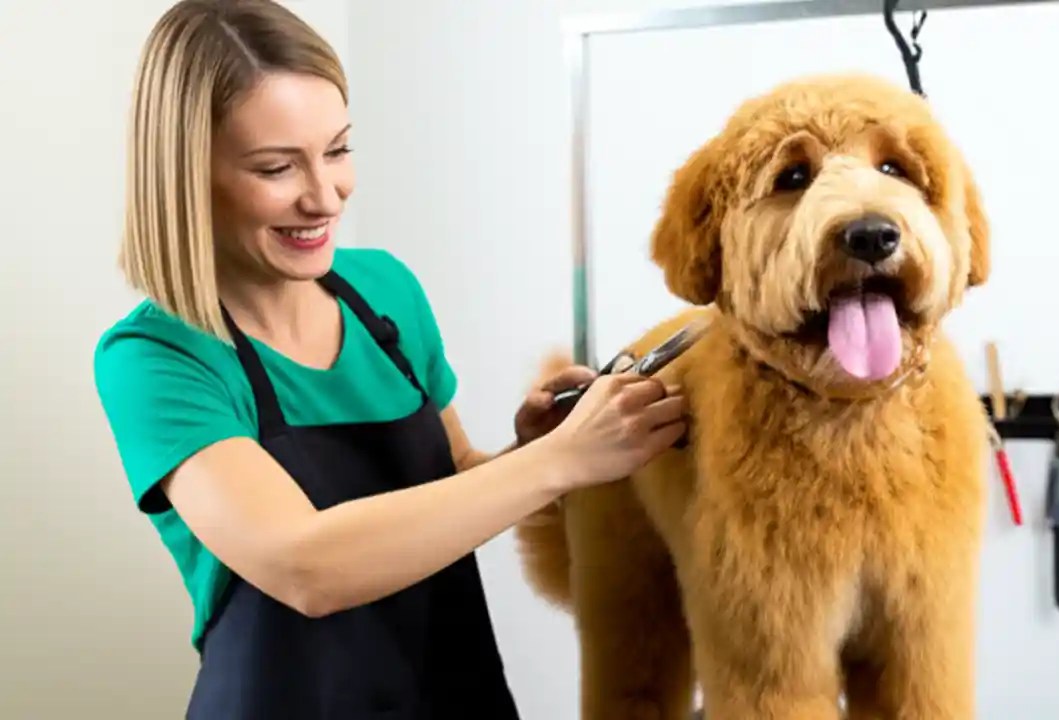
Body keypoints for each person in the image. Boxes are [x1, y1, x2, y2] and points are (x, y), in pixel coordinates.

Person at [92, 1, 688, 717]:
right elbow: (304, 565)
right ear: (186, 175)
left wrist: (540, 449)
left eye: (338, 150)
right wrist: (560, 462)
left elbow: (454, 481)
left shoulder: (384, 293)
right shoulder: (156, 357)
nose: (325, 196)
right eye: (277, 167)